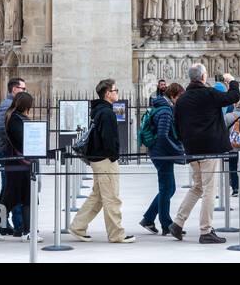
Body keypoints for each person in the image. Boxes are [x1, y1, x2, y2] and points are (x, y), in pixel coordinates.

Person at [169, 65, 239, 243]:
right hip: (209, 148)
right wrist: (231, 81)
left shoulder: (182, 99)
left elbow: (176, 126)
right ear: (203, 76)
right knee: (209, 189)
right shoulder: (209, 94)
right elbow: (234, 97)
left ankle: (177, 222)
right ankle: (206, 230)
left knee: (198, 186)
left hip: (192, 150)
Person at [70, 78, 135, 243]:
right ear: (107, 93)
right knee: (112, 197)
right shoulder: (106, 113)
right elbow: (108, 139)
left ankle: (78, 226)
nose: (117, 93)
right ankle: (116, 234)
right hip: (105, 160)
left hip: (98, 159)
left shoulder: (99, 110)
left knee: (98, 196)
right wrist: (113, 156)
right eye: (115, 90)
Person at [0, 91, 34, 239]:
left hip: (17, 163)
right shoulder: (15, 119)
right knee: (24, 196)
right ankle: (27, 232)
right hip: (18, 163)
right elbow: (21, 140)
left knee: (12, 198)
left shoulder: (14, 117)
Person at [140, 82, 184, 235]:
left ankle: (149, 218)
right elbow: (163, 135)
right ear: (172, 96)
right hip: (162, 154)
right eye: (179, 97)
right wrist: (178, 150)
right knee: (167, 189)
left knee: (168, 188)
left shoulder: (161, 107)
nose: (180, 101)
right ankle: (166, 224)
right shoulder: (165, 111)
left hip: (160, 153)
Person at [0, 77, 27, 236]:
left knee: (8, 189)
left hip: (9, 152)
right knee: (14, 188)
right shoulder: (8, 106)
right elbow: (1, 130)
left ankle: (3, 224)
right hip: (8, 153)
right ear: (14, 89)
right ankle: (19, 225)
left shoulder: (11, 106)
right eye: (23, 89)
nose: (25, 91)